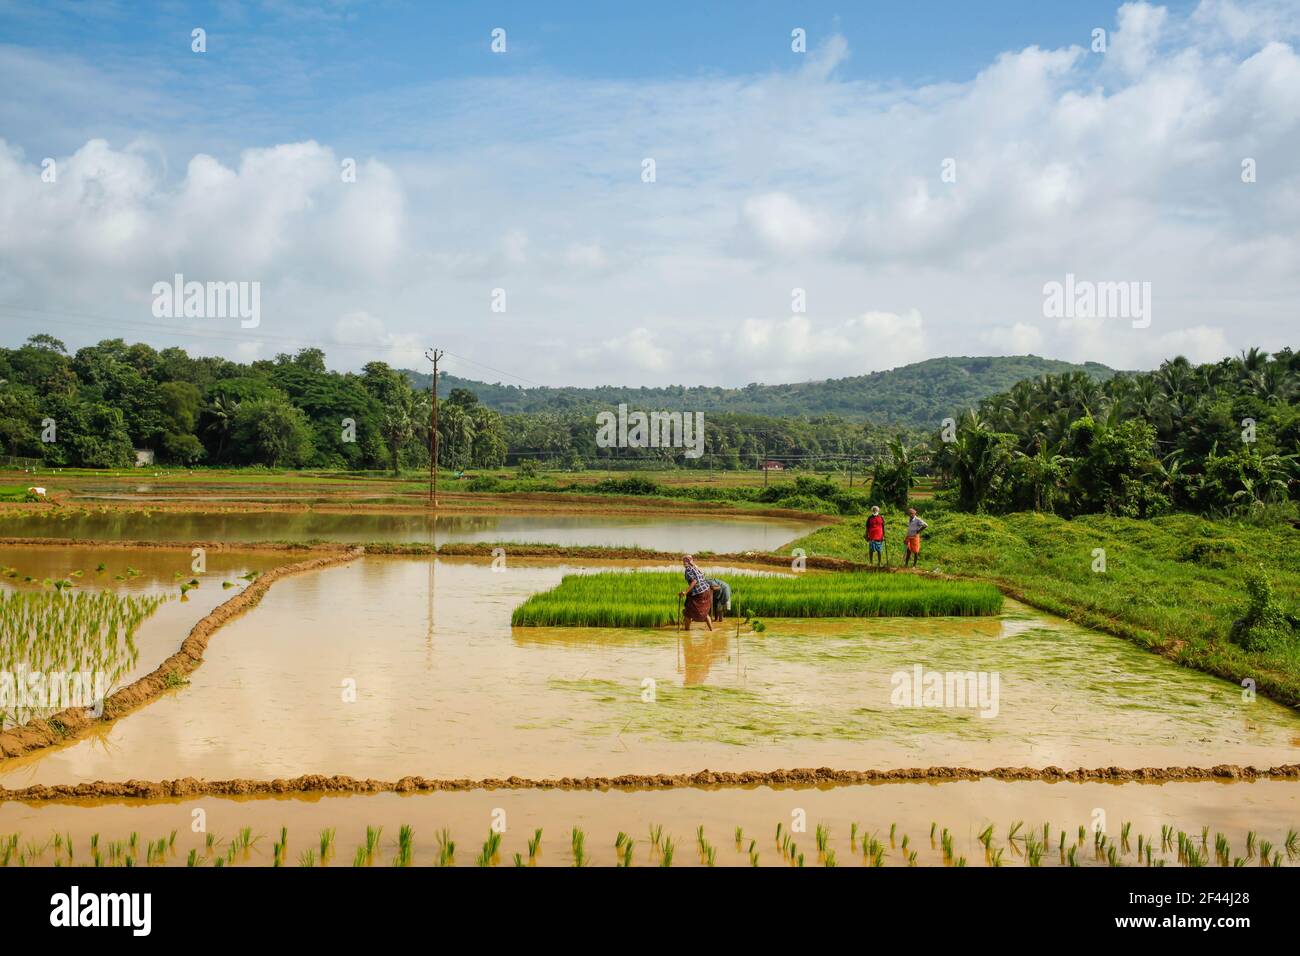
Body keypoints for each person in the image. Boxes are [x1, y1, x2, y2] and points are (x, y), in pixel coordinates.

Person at [678, 555, 714, 630]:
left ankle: (686, 631)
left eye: (684, 561)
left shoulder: (688, 569)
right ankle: (711, 630)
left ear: (686, 562)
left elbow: (694, 581)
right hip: (707, 591)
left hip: (699, 593)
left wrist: (685, 592)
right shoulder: (696, 567)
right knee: (705, 612)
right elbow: (702, 577)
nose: (683, 563)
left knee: (688, 612)